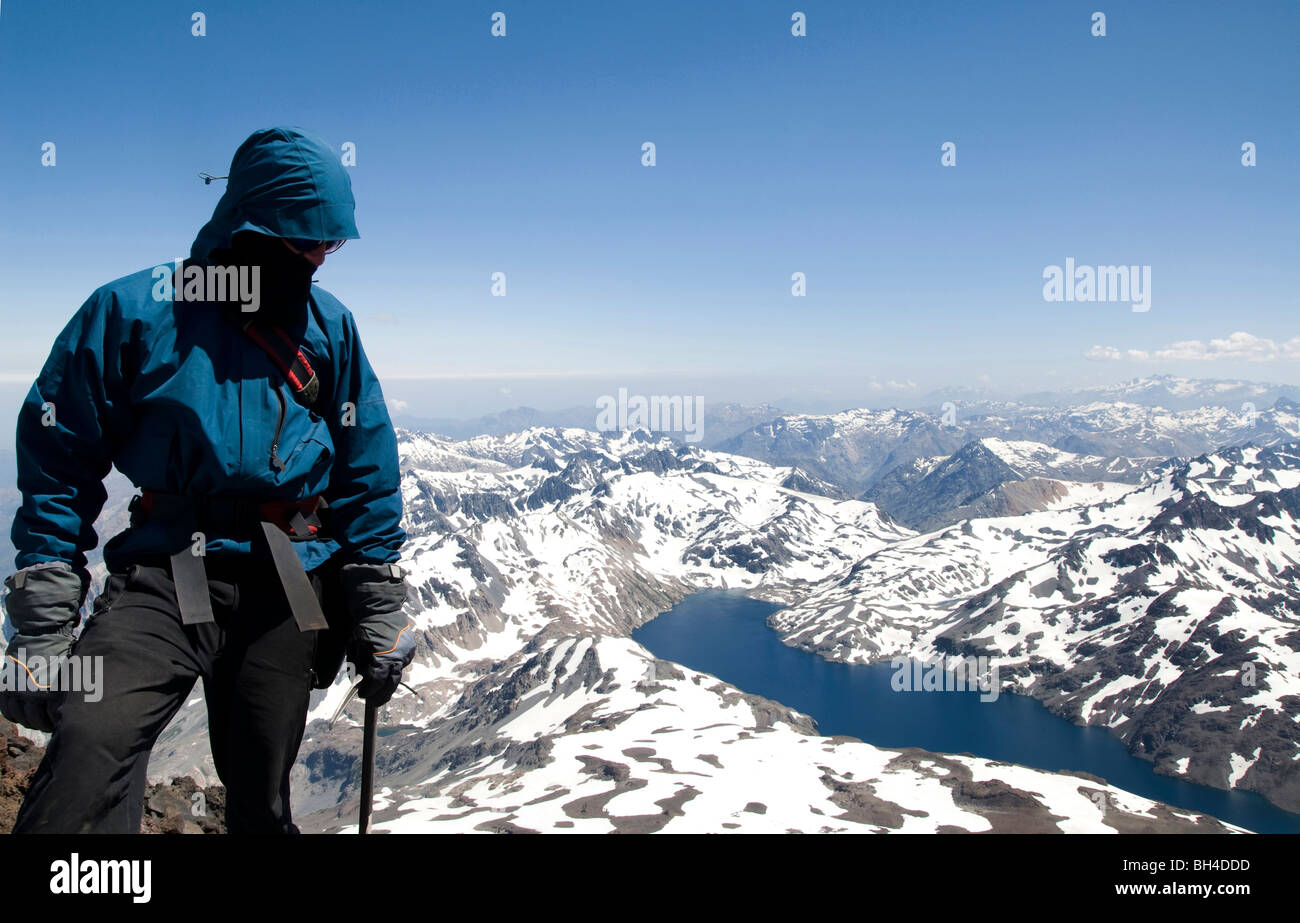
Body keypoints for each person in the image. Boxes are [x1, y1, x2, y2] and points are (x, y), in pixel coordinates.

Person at [0, 126, 415, 834]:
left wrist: (375, 606)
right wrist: (42, 630)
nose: (320, 260)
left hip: (285, 576)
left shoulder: (329, 327)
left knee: (262, 781)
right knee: (94, 736)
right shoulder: (135, 312)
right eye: (306, 243)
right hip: (168, 566)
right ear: (251, 227)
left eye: (329, 245)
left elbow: (365, 466)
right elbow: (60, 457)